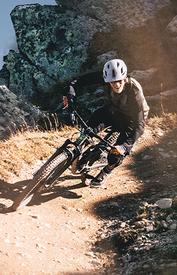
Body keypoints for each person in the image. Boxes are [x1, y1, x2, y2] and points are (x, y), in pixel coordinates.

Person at [63, 58, 149, 189]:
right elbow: (77, 81)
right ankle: (81, 143)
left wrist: (125, 146)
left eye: (119, 81)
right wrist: (69, 95)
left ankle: (106, 172)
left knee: (116, 154)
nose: (116, 85)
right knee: (93, 121)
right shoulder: (105, 77)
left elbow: (139, 125)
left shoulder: (134, 91)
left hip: (133, 120)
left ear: (124, 77)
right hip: (115, 109)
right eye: (112, 82)